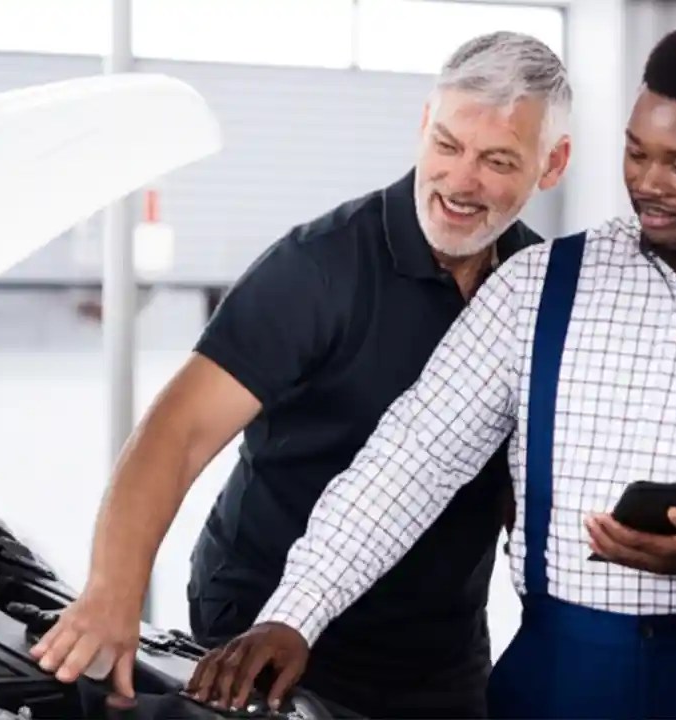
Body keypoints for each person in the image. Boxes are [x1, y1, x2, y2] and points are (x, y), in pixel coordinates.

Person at [184, 22, 676, 720]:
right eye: (637, 153)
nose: (650, 184)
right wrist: (294, 615)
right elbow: (408, 464)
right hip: (555, 677)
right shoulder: (536, 285)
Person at [28, 30, 573, 719]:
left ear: (552, 163)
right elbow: (179, 432)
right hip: (260, 621)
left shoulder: (537, 289)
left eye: (497, 160)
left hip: (435, 651)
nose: (460, 183)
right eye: (447, 145)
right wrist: (112, 594)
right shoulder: (319, 269)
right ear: (422, 125)